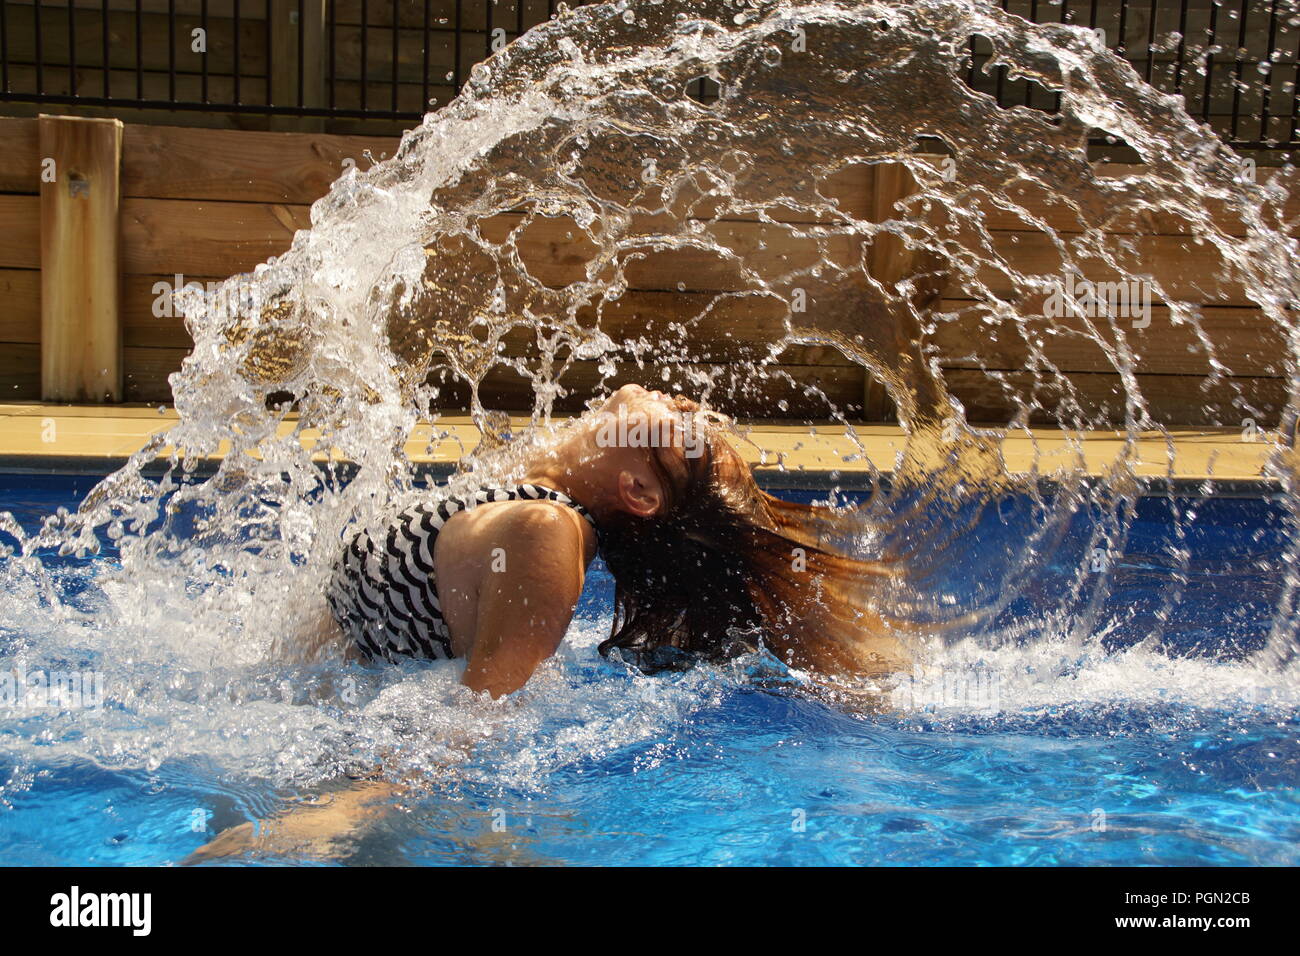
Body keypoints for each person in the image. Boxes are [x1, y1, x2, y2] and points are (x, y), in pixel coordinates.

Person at [188, 383, 909, 861]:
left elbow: (471, 717)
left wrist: (330, 819)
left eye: (691, 434)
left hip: (337, 798)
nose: (688, 403)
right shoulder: (520, 492)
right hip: (297, 755)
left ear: (637, 489)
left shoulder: (546, 533)